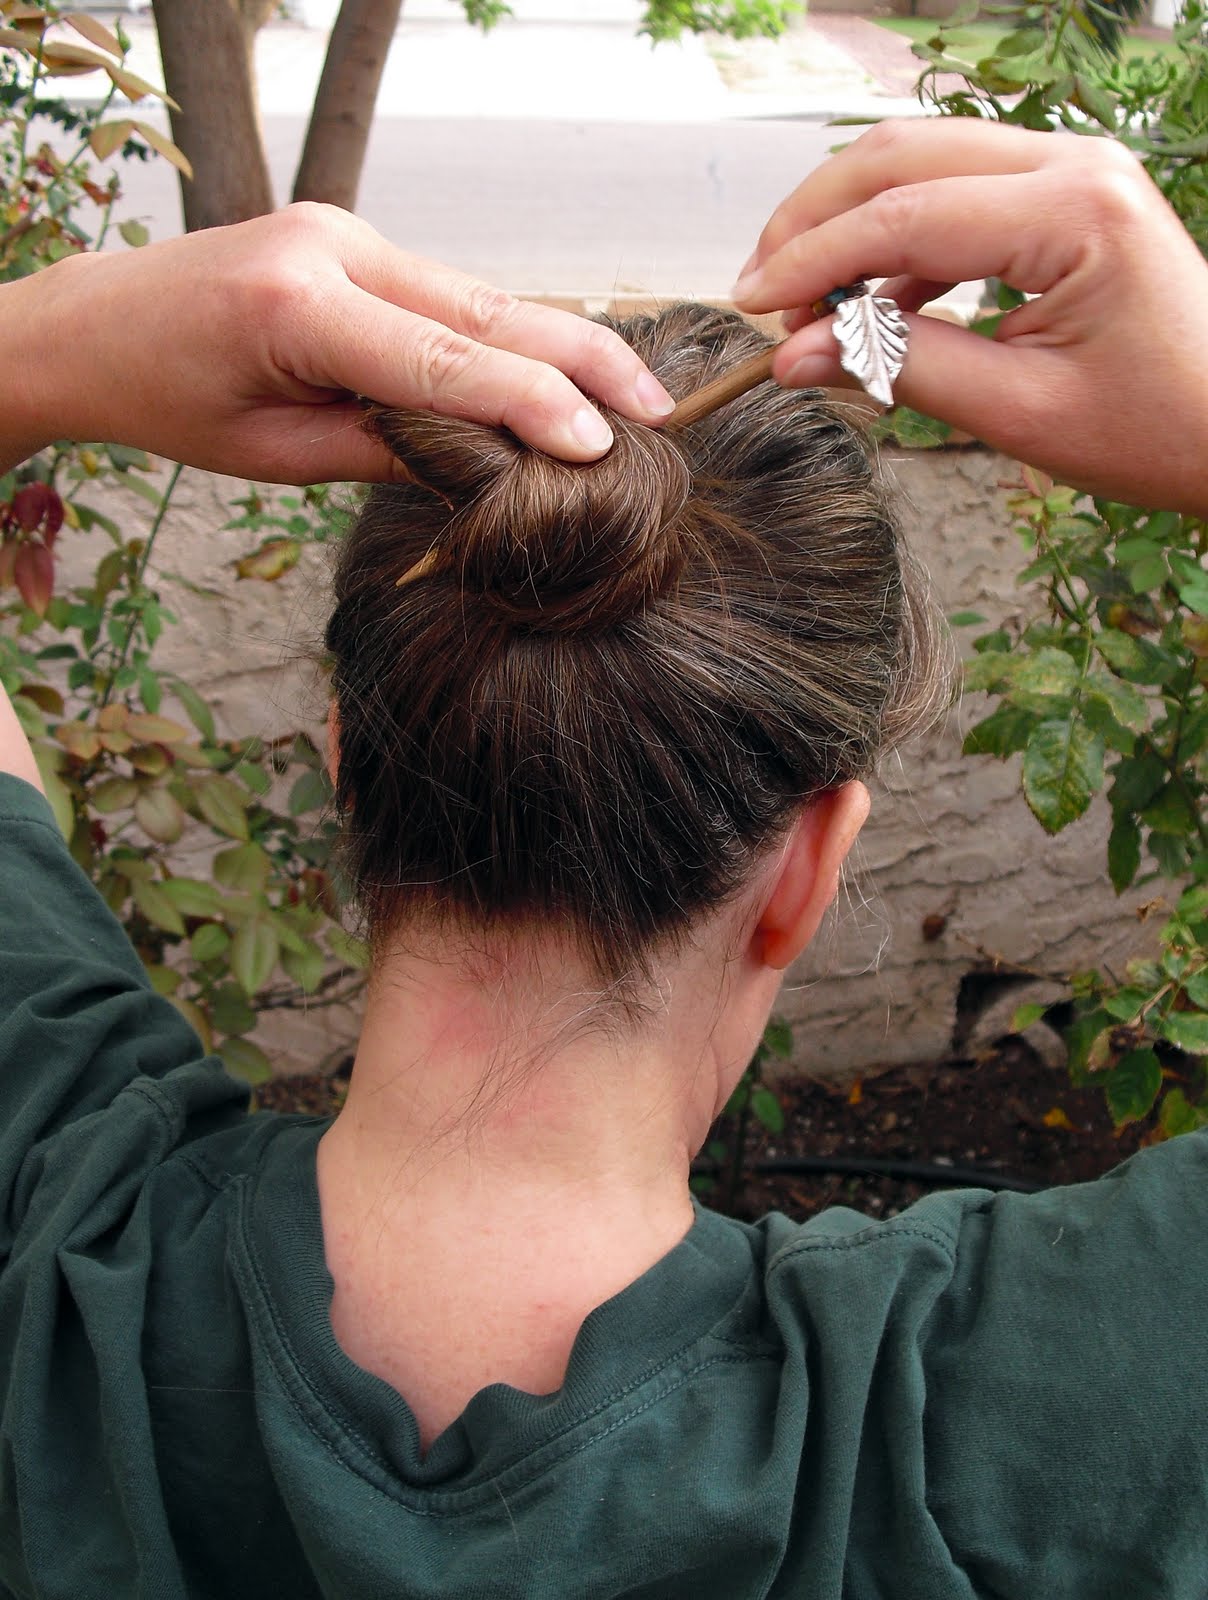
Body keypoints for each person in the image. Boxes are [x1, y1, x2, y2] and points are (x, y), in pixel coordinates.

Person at [1, 118, 1206, 1599]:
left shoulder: (42, 1225)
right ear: (808, 867)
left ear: (338, 750)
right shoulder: (1054, 1424)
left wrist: (40, 346)